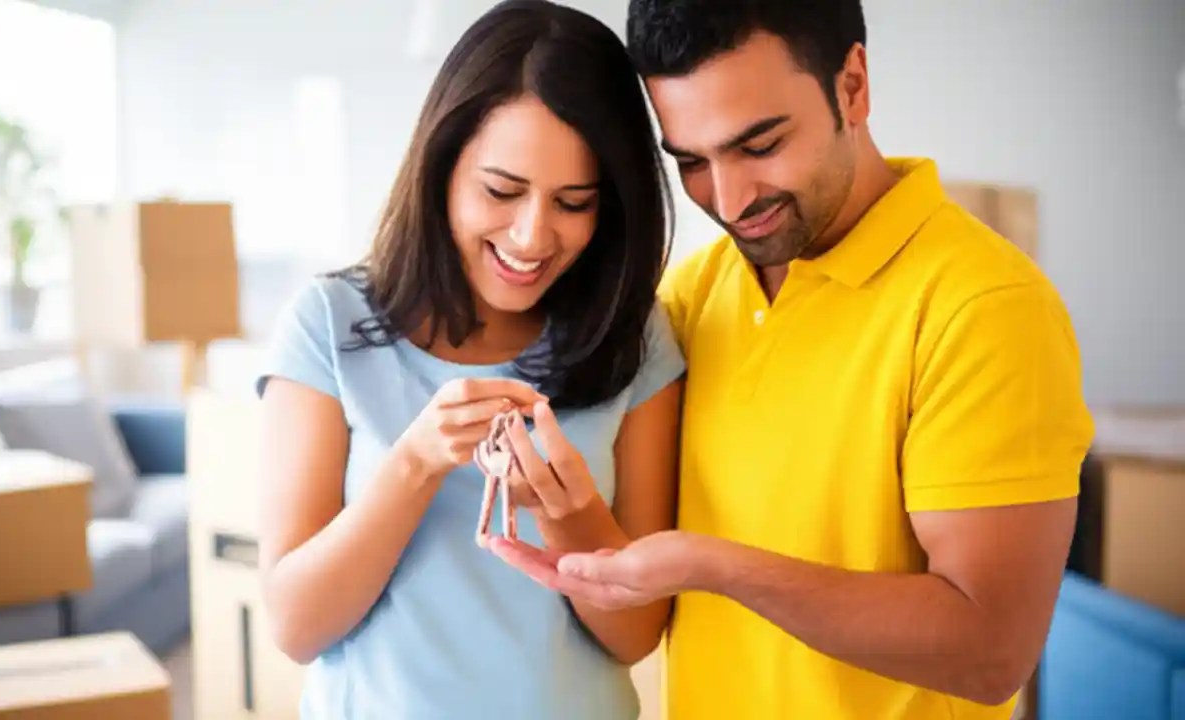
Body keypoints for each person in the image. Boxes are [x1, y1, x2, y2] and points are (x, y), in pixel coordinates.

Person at [490, 2, 1094, 719]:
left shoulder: (985, 308)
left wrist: (714, 567)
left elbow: (990, 651)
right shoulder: (694, 294)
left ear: (853, 85)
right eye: (691, 161)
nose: (731, 198)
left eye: (760, 144)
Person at [254, 1, 684, 718]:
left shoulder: (636, 338)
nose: (531, 235)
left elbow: (636, 635)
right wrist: (417, 462)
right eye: (501, 191)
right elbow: (295, 626)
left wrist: (569, 511)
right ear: (441, 165)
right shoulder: (328, 324)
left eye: (574, 202)